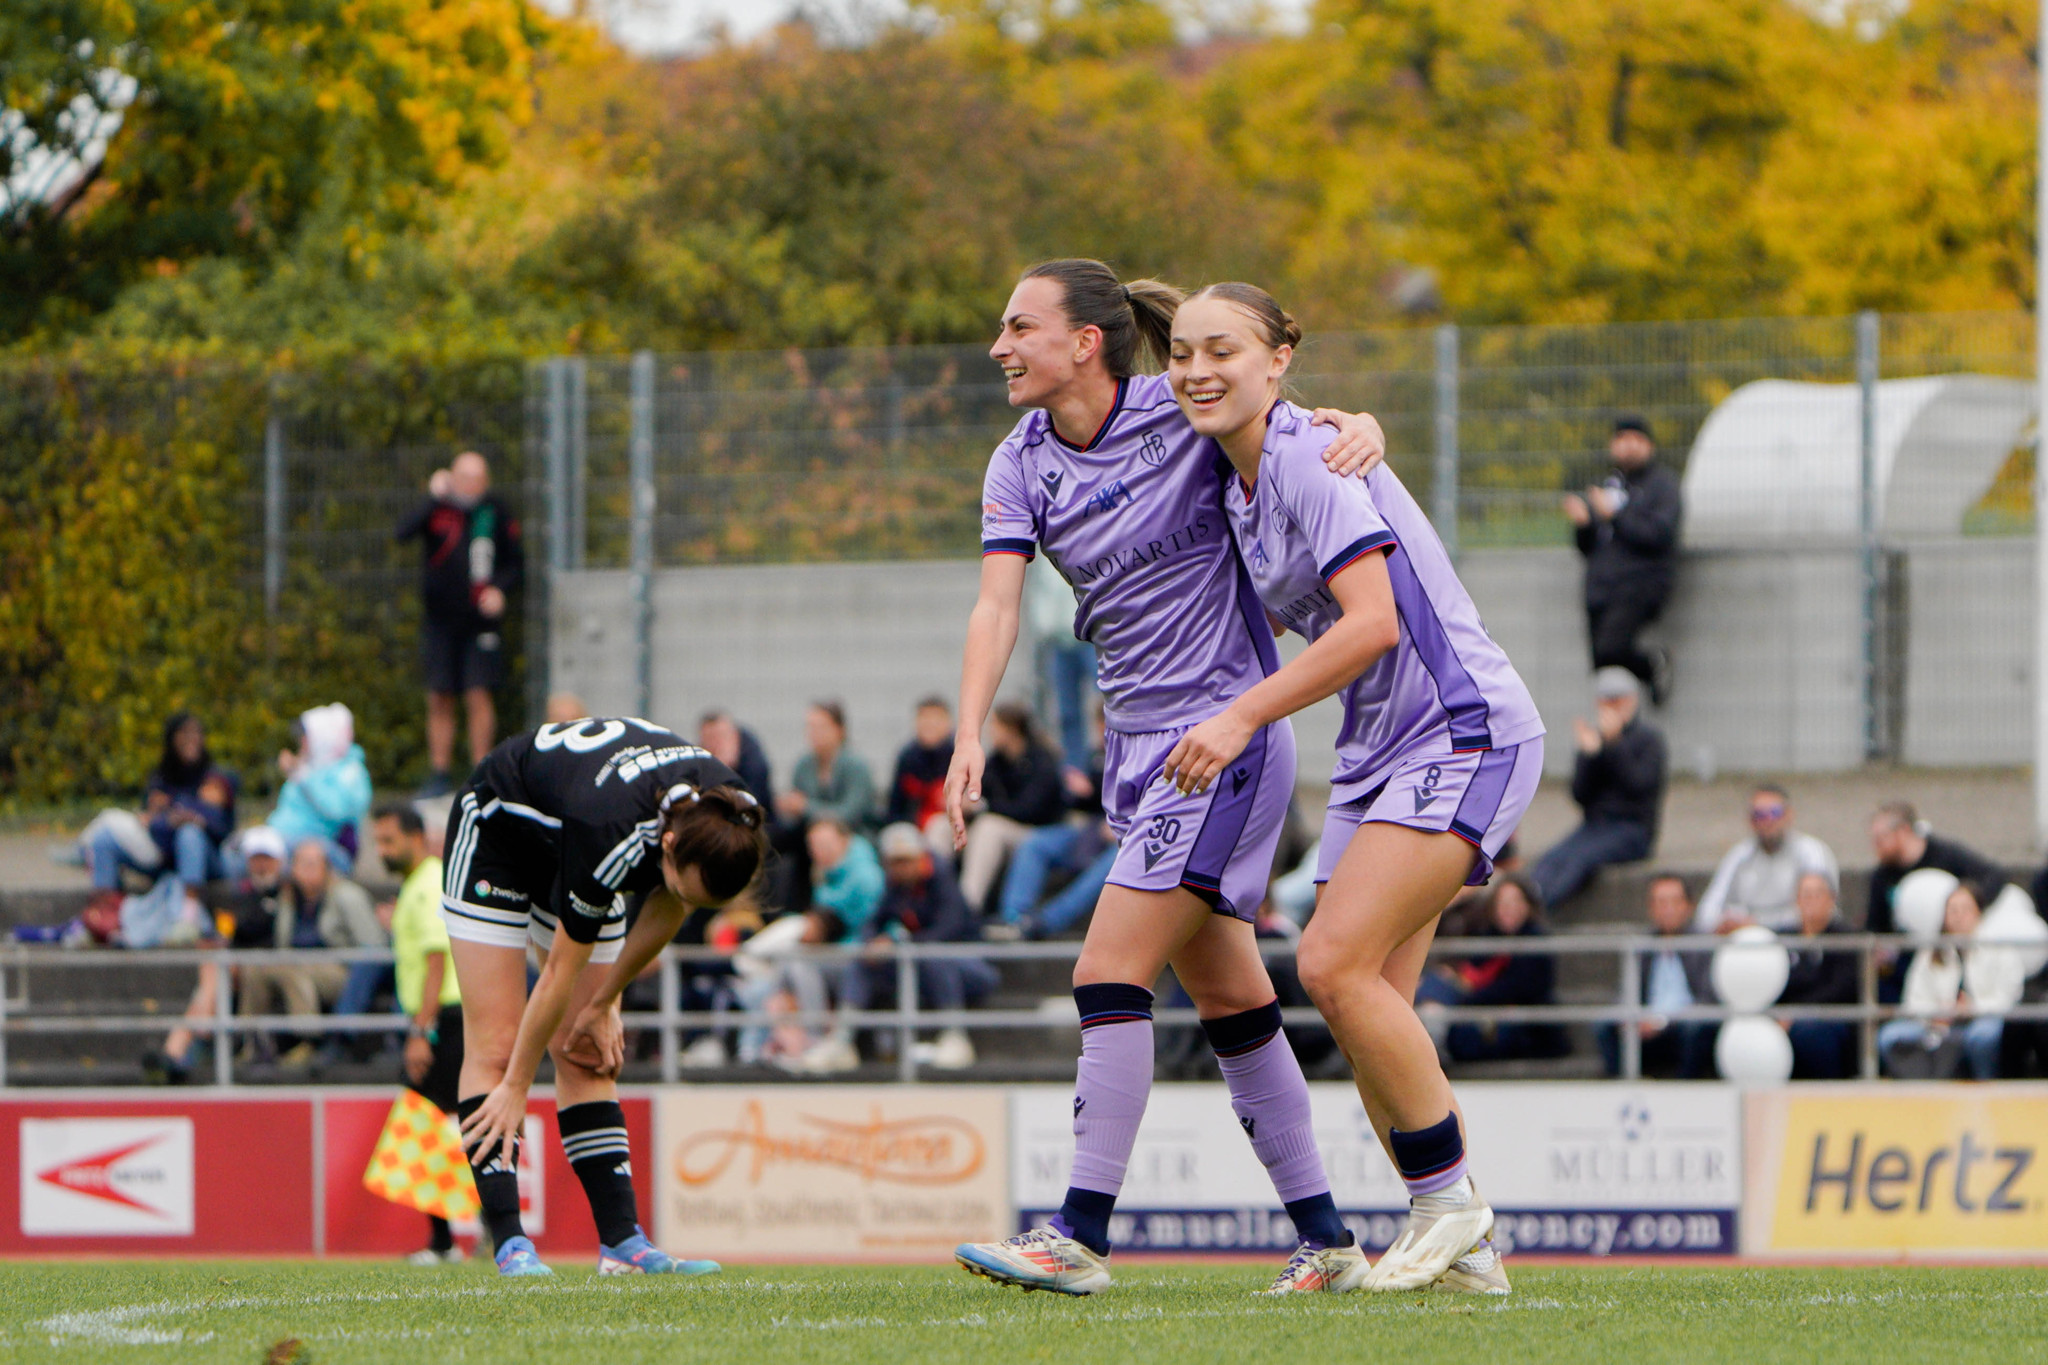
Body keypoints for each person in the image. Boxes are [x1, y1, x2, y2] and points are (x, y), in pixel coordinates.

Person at [948, 260, 1387, 1298]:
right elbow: (996, 608)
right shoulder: (1016, 462)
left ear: (1084, 342)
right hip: (1136, 753)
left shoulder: (1174, 410)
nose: (999, 347)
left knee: (1105, 973)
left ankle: (1077, 1236)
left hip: (1223, 743)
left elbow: (1280, 422)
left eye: (1019, 327)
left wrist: (1355, 424)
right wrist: (968, 731)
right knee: (1232, 1001)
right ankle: (1327, 1242)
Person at [1152, 281, 1544, 1295]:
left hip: (1462, 731)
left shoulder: (1302, 456)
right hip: (1376, 754)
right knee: (1374, 1009)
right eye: (1180, 352)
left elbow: (1371, 623)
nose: (1196, 370)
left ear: (1279, 358)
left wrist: (1240, 715)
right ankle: (1471, 1258)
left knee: (1328, 965)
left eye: (1222, 350)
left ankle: (1449, 1208)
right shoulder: (1230, 471)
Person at [441, 716, 767, 1277]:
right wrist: (519, 1085)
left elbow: (671, 902)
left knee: (587, 1048)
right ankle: (510, 1244)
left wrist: (604, 1004)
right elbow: (557, 975)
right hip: (500, 829)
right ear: (667, 845)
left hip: (574, 834)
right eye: (679, 881)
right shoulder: (614, 832)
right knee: (495, 1051)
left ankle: (623, 1244)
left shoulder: (726, 816)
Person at [807, 823, 997, 1073]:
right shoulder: (895, 885)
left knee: (934, 956)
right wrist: (873, 944)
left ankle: (954, 1035)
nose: (901, 868)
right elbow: (874, 922)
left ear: (920, 857)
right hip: (919, 964)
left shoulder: (941, 879)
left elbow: (948, 929)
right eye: (895, 862)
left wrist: (897, 944)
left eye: (906, 860)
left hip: (969, 965)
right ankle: (842, 1040)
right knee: (862, 963)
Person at [370, 801, 466, 1265]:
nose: (381, 850)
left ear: (415, 838)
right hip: (444, 1019)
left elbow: (435, 960)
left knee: (427, 1128)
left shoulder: (426, 884)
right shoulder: (423, 884)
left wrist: (420, 1033)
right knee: (449, 1125)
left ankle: (447, 1242)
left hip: (443, 1020)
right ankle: (472, 1235)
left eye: (388, 840)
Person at [397, 450, 525, 796]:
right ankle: (439, 772)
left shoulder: (495, 511)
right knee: (439, 696)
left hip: (480, 622)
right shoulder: (438, 508)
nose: (469, 485)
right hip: (440, 621)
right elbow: (402, 532)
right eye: (462, 477)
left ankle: (481, 771)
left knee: (478, 693)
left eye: (476, 478)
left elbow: (516, 563)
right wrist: (432, 497)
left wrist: (499, 590)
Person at [141, 825, 290, 1084]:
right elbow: (230, 934)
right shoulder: (241, 895)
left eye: (267, 859)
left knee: (216, 972)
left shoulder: (289, 894)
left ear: (280, 861)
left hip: (271, 967)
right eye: (256, 859)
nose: (261, 866)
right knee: (213, 969)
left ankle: (178, 1051)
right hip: (238, 967)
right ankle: (179, 1053)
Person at [1562, 415, 1681, 703]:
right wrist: (1583, 524)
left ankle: (1653, 664)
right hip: (1601, 587)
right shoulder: (1608, 484)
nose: (1627, 447)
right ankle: (1620, 726)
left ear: (1648, 445)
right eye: (1621, 439)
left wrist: (1615, 515)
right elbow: (1587, 546)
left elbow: (1660, 534)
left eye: (1635, 439)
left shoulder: (1662, 485)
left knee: (1611, 650)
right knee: (1601, 666)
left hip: (1639, 583)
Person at [238, 840, 385, 1068]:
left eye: (312, 863)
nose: (306, 869)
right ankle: (252, 1040)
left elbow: (372, 944)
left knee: (290, 967)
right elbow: (281, 944)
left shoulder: (346, 895)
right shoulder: (288, 900)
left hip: (341, 970)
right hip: (297, 968)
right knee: (256, 968)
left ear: (326, 866)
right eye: (300, 863)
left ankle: (308, 1039)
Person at [1530, 669, 1666, 909]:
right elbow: (1580, 795)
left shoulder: (1649, 740)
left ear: (1632, 701)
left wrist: (1614, 745)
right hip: (1595, 826)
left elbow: (1639, 786)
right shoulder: (1595, 738)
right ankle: (1528, 903)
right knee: (1550, 860)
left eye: (1618, 701)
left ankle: (1541, 909)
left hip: (1633, 829)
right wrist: (1588, 757)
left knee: (1580, 860)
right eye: (1605, 701)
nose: (1611, 708)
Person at [1879, 880, 2038, 1080]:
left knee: (1983, 1036)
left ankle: (1987, 1085)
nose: (1958, 917)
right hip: (1937, 1023)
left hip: (1983, 1019)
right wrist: (1935, 1014)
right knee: (1890, 1036)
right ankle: (1920, 1093)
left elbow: (2009, 999)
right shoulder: (1930, 953)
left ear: (1979, 913)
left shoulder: (2000, 949)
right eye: (1952, 910)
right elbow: (1913, 1000)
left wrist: (1972, 1009)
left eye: (1965, 910)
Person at [81, 712, 237, 903]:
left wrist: (187, 816)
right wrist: (168, 818)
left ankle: (189, 912)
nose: (192, 739)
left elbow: (222, 827)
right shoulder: (160, 778)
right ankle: (104, 911)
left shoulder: (216, 778)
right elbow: (151, 824)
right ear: (172, 738)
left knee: (188, 833)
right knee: (103, 839)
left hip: (204, 859)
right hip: (162, 855)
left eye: (196, 733)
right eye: (184, 733)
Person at [1416, 875, 1565, 1064]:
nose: (1508, 909)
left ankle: (1432, 1040)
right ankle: (1432, 1034)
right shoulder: (1489, 936)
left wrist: (1463, 998)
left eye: (1515, 901)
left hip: (1527, 1027)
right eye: (1502, 903)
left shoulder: (1535, 941)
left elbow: (1517, 988)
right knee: (1436, 982)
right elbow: (1471, 972)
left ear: (1528, 905)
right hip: (1484, 1009)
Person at [1867, 801, 2008, 1001]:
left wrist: (1967, 908)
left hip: (1950, 952)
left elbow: (1993, 875)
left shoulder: (1946, 855)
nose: (1875, 847)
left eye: (1881, 839)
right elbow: (1876, 926)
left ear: (1903, 831)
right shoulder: (1881, 876)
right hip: (1908, 956)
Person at [1604, 873, 1716, 1080]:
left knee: (1696, 1028)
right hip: (1645, 1023)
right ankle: (1623, 1089)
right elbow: (1623, 992)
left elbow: (1708, 999)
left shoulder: (1704, 946)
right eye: (1661, 903)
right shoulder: (1641, 946)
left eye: (1675, 902)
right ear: (1651, 908)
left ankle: (1685, 1088)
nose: (1668, 909)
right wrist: (1630, 1017)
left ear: (1689, 906)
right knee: (1606, 1024)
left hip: (1682, 1023)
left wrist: (1663, 1022)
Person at [957, 702, 1067, 913]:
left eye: (995, 725)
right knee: (942, 826)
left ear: (1011, 729)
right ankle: (939, 903)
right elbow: (982, 793)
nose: (990, 732)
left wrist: (982, 808)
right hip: (1006, 827)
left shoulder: (1042, 760)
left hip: (1038, 831)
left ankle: (967, 906)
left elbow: (1028, 810)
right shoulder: (997, 761)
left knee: (989, 827)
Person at [1693, 785, 1839, 934]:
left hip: (1798, 941)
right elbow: (1706, 912)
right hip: (1744, 943)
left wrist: (1758, 925)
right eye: (1759, 814)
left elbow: (1821, 909)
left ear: (1789, 815)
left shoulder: (1811, 852)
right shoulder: (1738, 856)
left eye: (1774, 813)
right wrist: (1724, 923)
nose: (1767, 820)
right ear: (1750, 820)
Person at [268, 703, 373, 874]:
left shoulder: (351, 771)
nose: (301, 742)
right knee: (240, 848)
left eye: (306, 736)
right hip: (285, 840)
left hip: (328, 848)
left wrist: (303, 777)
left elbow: (338, 810)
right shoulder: (308, 767)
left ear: (323, 737)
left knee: (275, 855)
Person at [1778, 871, 1859, 1080]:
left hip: (1830, 1018)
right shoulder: (1783, 939)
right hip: (1786, 1016)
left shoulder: (1845, 938)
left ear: (1831, 899)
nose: (1811, 901)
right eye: (1806, 894)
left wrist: (1797, 1012)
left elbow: (1841, 989)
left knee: (1810, 1033)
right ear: (1796, 900)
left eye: (1817, 894)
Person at [1026, 553, 1098, 771]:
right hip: (1058, 640)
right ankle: (1075, 771)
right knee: (1067, 713)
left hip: (1092, 637)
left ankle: (1110, 761)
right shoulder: (1043, 551)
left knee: (1107, 703)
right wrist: (1042, 628)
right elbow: (1039, 592)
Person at [884, 696, 955, 848]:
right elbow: (895, 806)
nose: (929, 725)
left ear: (948, 723)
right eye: (924, 718)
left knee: (939, 828)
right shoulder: (907, 757)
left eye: (935, 719)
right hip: (913, 826)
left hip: (950, 827)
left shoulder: (958, 755)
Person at [699, 709, 775, 811]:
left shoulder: (754, 764)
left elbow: (751, 803)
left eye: (721, 736)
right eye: (710, 739)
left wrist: (723, 772)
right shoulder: (697, 767)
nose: (716, 744)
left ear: (735, 737)